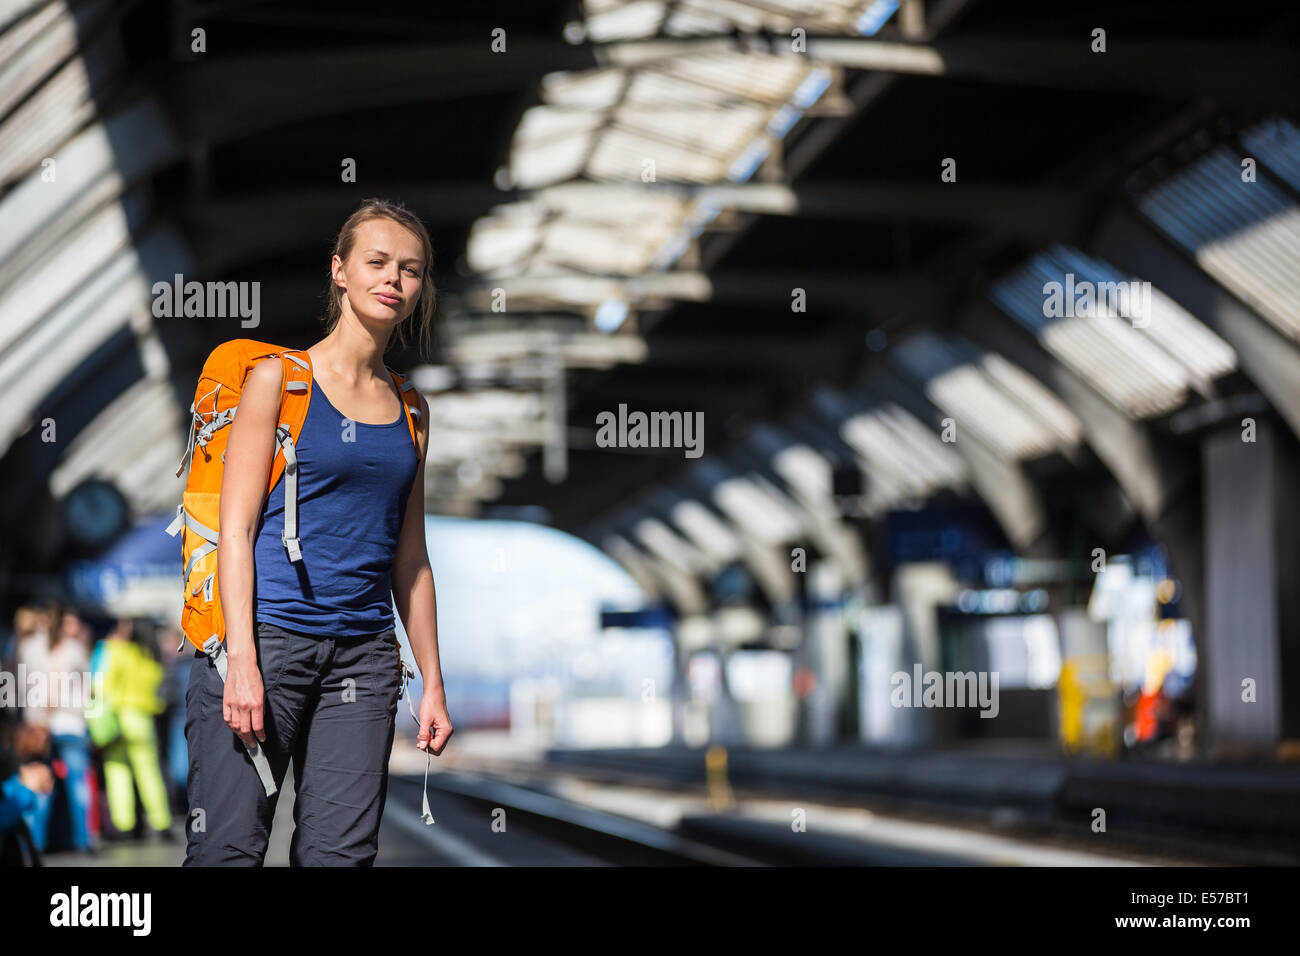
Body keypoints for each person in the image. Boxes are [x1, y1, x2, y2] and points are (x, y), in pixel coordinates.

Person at [184, 197, 453, 867]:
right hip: (267, 644)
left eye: (411, 269)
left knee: (342, 857)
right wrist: (240, 660)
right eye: (377, 262)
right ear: (340, 272)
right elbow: (235, 528)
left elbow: (411, 561)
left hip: (363, 659)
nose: (394, 278)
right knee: (227, 852)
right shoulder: (280, 381)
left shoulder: (413, 411)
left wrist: (433, 684)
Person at [90, 618, 173, 840]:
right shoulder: (151, 656)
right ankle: (160, 820)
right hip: (144, 719)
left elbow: (101, 685)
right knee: (150, 772)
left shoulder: (116, 651)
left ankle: (123, 824)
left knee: (117, 770)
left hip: (119, 717)